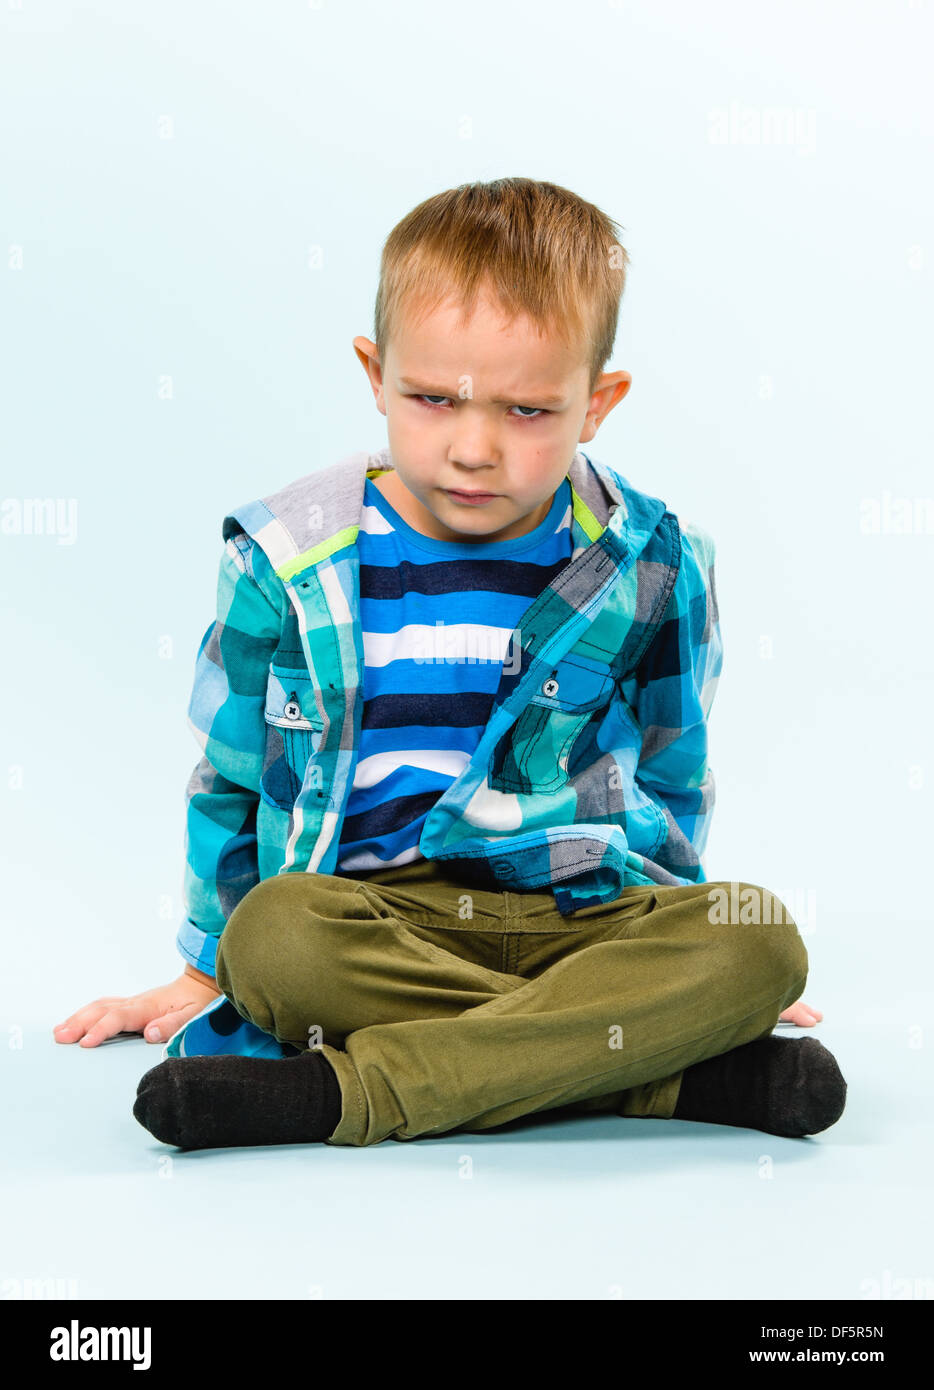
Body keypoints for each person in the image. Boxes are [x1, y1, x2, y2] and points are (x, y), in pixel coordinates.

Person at [53, 177, 846, 1150]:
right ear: (373, 373)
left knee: (755, 936)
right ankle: (652, 1072)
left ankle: (346, 1094)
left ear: (595, 404)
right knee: (274, 936)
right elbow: (230, 769)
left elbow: (675, 761)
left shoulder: (650, 564)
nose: (472, 449)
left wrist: (685, 955)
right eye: (432, 399)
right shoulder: (289, 560)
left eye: (525, 411)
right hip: (380, 921)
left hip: (583, 910)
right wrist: (205, 968)